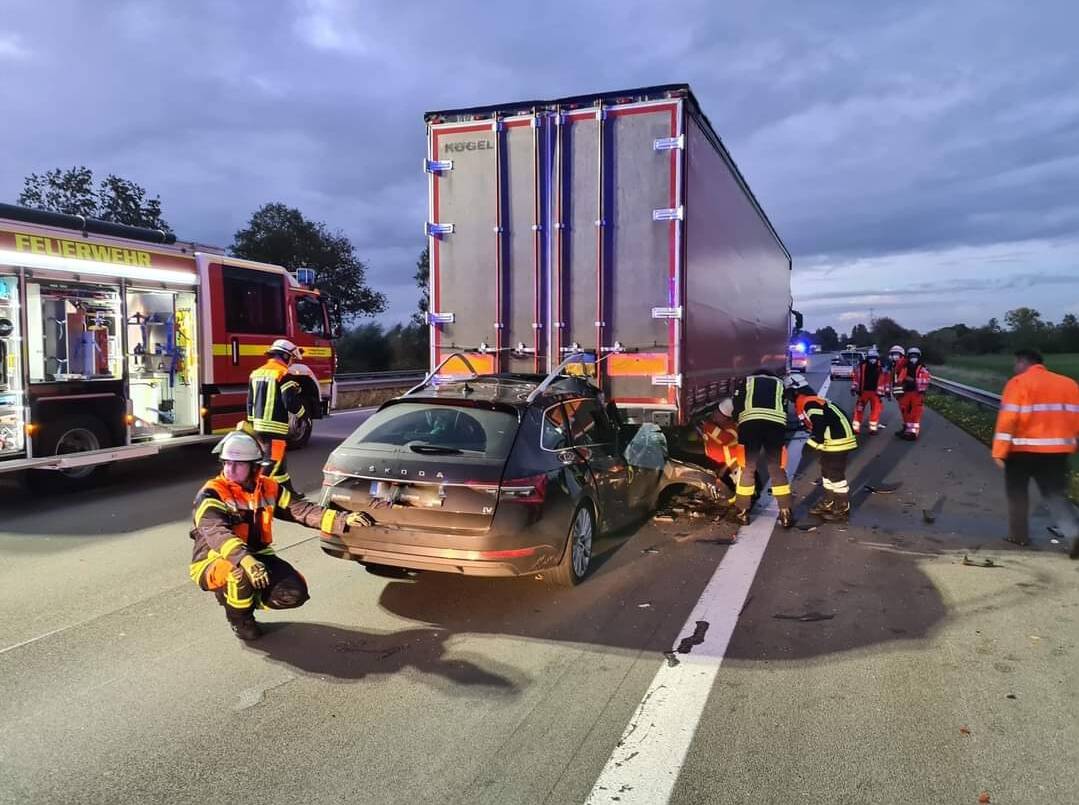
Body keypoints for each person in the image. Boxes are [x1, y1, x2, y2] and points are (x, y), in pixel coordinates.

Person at [189, 431, 374, 640]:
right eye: (227, 463)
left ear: (254, 466)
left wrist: (343, 520)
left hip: (257, 555)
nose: (230, 469)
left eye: (238, 464)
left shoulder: (268, 487)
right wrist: (246, 561)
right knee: (239, 573)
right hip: (214, 561)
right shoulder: (212, 493)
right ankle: (240, 620)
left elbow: (300, 510)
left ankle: (246, 595)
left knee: (294, 593)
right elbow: (217, 533)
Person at [991, 349, 1079, 554]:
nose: (1015, 368)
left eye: (1016, 363)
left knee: (1017, 494)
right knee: (1055, 494)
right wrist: (1074, 444)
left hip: (1022, 450)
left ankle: (1018, 536)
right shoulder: (1069, 384)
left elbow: (1008, 420)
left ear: (1023, 362)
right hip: (1057, 451)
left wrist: (999, 452)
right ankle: (1074, 534)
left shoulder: (1018, 383)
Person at [786, 374, 858, 522]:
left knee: (835, 475)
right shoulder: (811, 401)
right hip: (833, 439)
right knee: (826, 473)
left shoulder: (809, 403)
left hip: (837, 441)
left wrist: (811, 445)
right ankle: (829, 502)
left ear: (795, 391)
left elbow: (819, 426)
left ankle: (841, 509)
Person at [731, 371, 793, 528]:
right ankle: (785, 512)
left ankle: (742, 512)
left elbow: (737, 405)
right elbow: (785, 407)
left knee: (747, 468)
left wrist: (738, 421)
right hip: (776, 426)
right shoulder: (780, 384)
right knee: (776, 468)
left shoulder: (746, 381)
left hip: (750, 425)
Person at [247, 338, 306, 495]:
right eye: (292, 359)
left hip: (258, 427)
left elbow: (249, 402)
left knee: (280, 465)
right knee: (272, 462)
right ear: (285, 356)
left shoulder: (256, 373)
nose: (292, 363)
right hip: (276, 428)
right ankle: (251, 493)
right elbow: (290, 402)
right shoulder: (283, 374)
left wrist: (252, 425)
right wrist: (303, 415)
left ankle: (290, 494)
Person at [895, 346, 931, 440]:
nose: (913, 357)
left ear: (919, 356)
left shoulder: (923, 368)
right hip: (906, 392)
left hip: (917, 393)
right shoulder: (905, 367)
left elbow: (926, 380)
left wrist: (913, 381)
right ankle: (907, 429)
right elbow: (899, 379)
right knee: (904, 411)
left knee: (915, 413)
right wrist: (898, 392)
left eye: (915, 356)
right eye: (911, 356)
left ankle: (913, 433)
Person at [850, 348, 888, 435]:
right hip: (863, 392)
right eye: (870, 358)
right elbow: (856, 379)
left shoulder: (882, 368)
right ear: (867, 358)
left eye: (874, 358)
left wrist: (886, 392)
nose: (872, 359)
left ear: (877, 358)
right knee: (859, 409)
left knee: (876, 410)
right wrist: (853, 388)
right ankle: (856, 428)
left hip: (876, 393)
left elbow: (885, 380)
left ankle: (873, 428)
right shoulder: (861, 366)